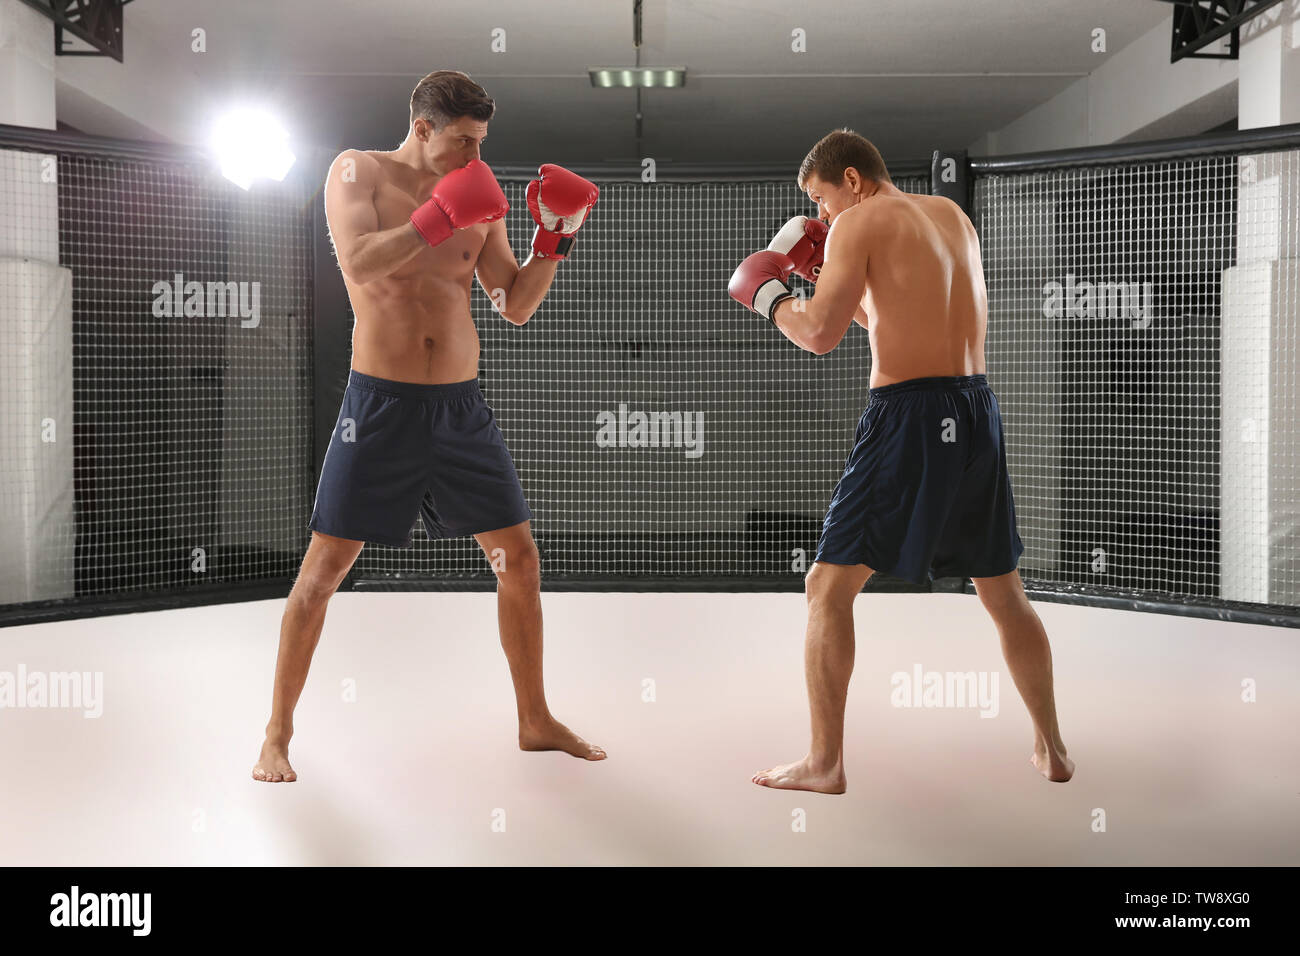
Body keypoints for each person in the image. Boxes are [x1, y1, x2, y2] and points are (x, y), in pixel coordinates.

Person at [253, 70, 604, 782]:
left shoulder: (481, 196)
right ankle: (276, 735)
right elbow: (357, 259)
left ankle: (534, 720)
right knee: (323, 574)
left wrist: (555, 242)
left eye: (481, 144)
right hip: (378, 407)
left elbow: (513, 302)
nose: (473, 158)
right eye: (463, 142)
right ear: (422, 127)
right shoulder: (358, 172)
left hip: (459, 409)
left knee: (520, 561)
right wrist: (435, 216)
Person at [728, 128, 1072, 793]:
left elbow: (819, 336)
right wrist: (830, 279)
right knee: (1003, 591)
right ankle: (1052, 747)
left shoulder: (858, 224)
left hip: (909, 417)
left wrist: (767, 294)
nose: (822, 218)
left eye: (822, 200)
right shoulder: (951, 216)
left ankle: (824, 764)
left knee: (826, 588)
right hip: (975, 410)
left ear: (852, 179)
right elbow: (892, 317)